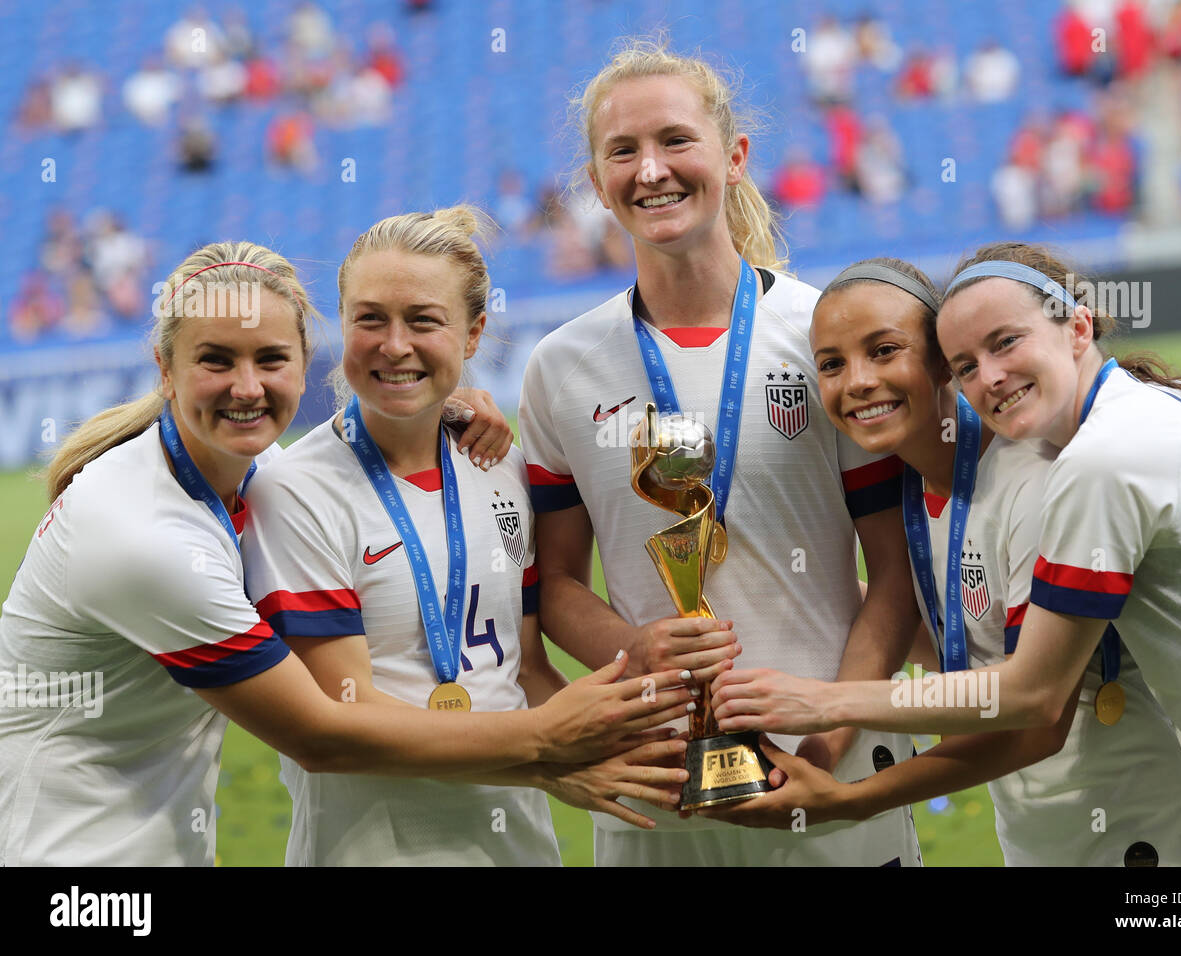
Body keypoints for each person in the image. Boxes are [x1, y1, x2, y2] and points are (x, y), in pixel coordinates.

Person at [0, 241, 693, 866]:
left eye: (270, 360)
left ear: (305, 366)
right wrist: (545, 748)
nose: (247, 388)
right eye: (215, 360)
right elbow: (321, 733)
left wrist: (434, 404)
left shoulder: (251, 468)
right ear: (165, 368)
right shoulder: (146, 537)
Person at [711, 242, 1181, 866]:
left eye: (885, 350)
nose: (858, 380)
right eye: (969, 362)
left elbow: (1032, 700)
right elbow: (975, 637)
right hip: (1067, 832)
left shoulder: (1071, 469)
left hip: (1168, 833)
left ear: (1078, 326)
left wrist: (829, 722)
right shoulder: (927, 486)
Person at [519, 38, 922, 867]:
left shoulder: (826, 336)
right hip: (659, 782)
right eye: (622, 151)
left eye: (675, 140)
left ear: (734, 157)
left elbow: (895, 572)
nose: (651, 170)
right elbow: (554, 583)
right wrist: (635, 653)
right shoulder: (561, 365)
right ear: (597, 184)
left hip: (833, 772)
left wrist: (826, 735)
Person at [239, 208, 691, 865]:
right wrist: (542, 752)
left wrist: (625, 750)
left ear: (474, 332)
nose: (395, 346)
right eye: (370, 319)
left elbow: (524, 669)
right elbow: (343, 721)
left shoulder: (501, 464)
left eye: (423, 320)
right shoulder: (294, 492)